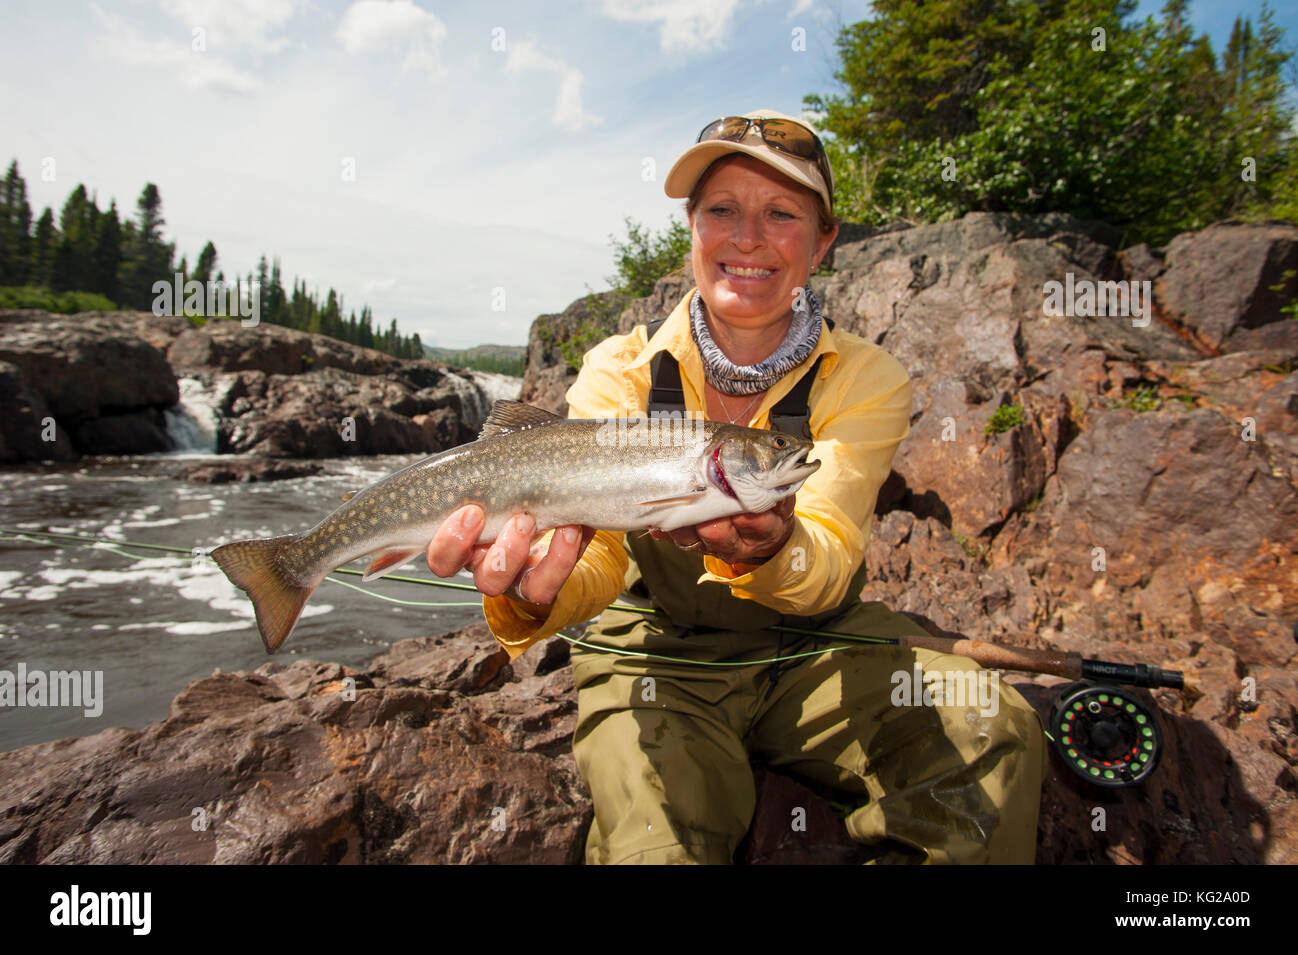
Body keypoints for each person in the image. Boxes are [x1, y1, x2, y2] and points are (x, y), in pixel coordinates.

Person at [425, 109, 1046, 865]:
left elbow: (830, 552)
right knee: (655, 849)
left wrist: (774, 544)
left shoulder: (865, 377)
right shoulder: (618, 370)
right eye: (722, 209)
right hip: (655, 659)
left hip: (813, 652)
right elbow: (599, 559)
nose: (747, 237)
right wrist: (527, 592)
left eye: (781, 213)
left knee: (994, 729)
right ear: (692, 228)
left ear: (823, 243)